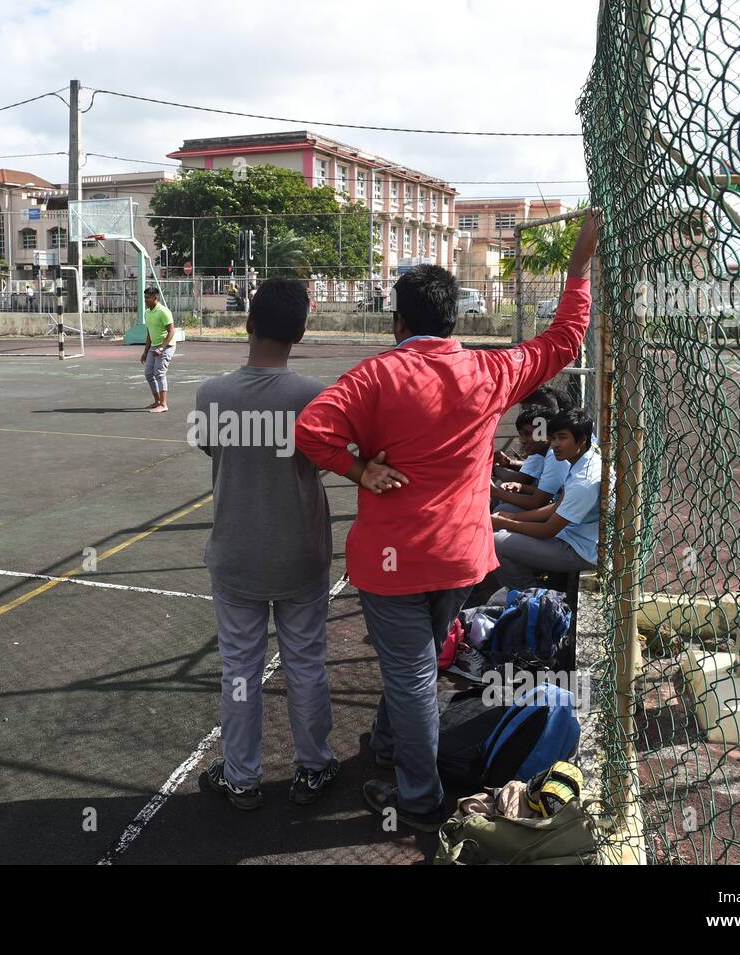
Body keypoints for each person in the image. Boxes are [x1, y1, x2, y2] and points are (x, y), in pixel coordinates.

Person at [295, 212, 599, 832]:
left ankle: (420, 800)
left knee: (410, 674)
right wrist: (576, 270)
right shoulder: (486, 371)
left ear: (399, 322)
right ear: (452, 320)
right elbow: (563, 341)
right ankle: (390, 745)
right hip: (462, 555)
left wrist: (360, 472)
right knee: (420, 660)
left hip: (393, 562)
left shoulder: (375, 376)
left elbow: (311, 429)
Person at [192, 278, 340, 811]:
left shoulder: (212, 394)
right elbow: (327, 459)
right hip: (300, 552)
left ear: (248, 324)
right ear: (300, 333)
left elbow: (211, 449)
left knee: (239, 670)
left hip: (236, 553)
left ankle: (242, 776)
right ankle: (314, 765)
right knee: (305, 663)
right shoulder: (315, 395)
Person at [490, 408, 601, 589]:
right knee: (505, 517)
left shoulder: (583, 481)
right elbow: (557, 506)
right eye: (553, 437)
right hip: (573, 536)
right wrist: (511, 518)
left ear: (582, 439)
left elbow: (547, 530)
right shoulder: (583, 460)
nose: (555, 444)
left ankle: (528, 596)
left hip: (579, 550)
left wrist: (504, 523)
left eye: (562, 437)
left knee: (497, 542)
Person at [140, 286, 175, 413]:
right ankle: (157, 401)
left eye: (148, 298)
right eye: (145, 298)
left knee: (159, 373)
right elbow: (149, 332)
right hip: (153, 346)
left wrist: (162, 348)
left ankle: (164, 404)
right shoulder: (147, 312)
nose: (145, 300)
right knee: (149, 373)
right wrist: (145, 351)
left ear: (155, 298)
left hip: (167, 345)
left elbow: (171, 331)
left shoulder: (164, 311)